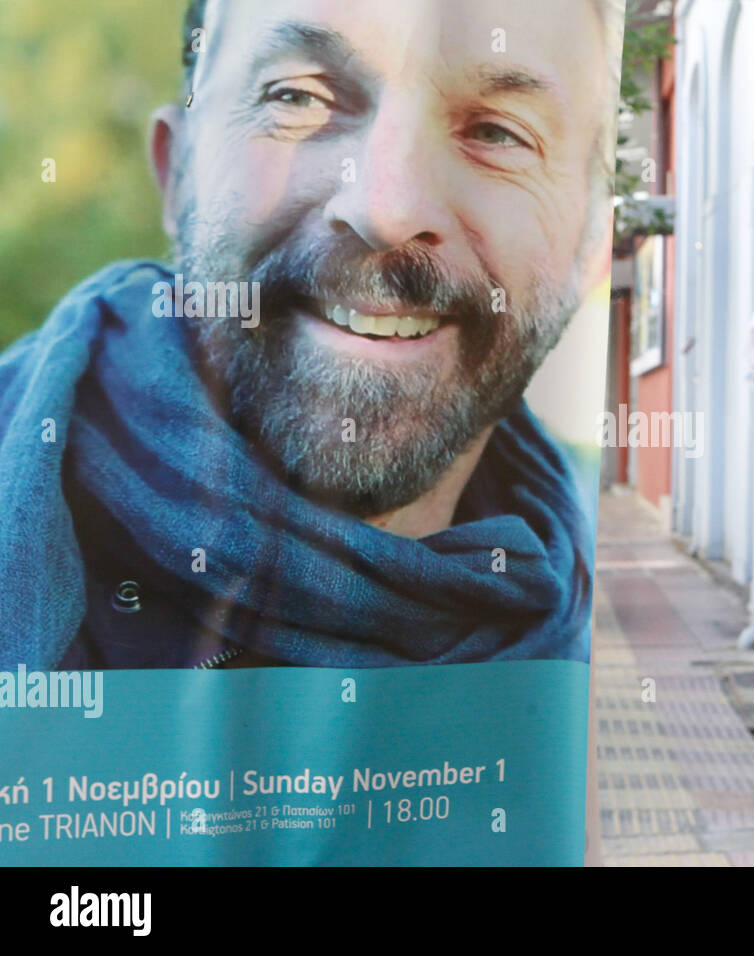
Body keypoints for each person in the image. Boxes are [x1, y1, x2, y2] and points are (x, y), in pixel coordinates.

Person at [0, 0, 623, 669]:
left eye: (499, 133)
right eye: (296, 96)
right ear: (176, 171)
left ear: (593, 245)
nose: (387, 208)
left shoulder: (584, 649)